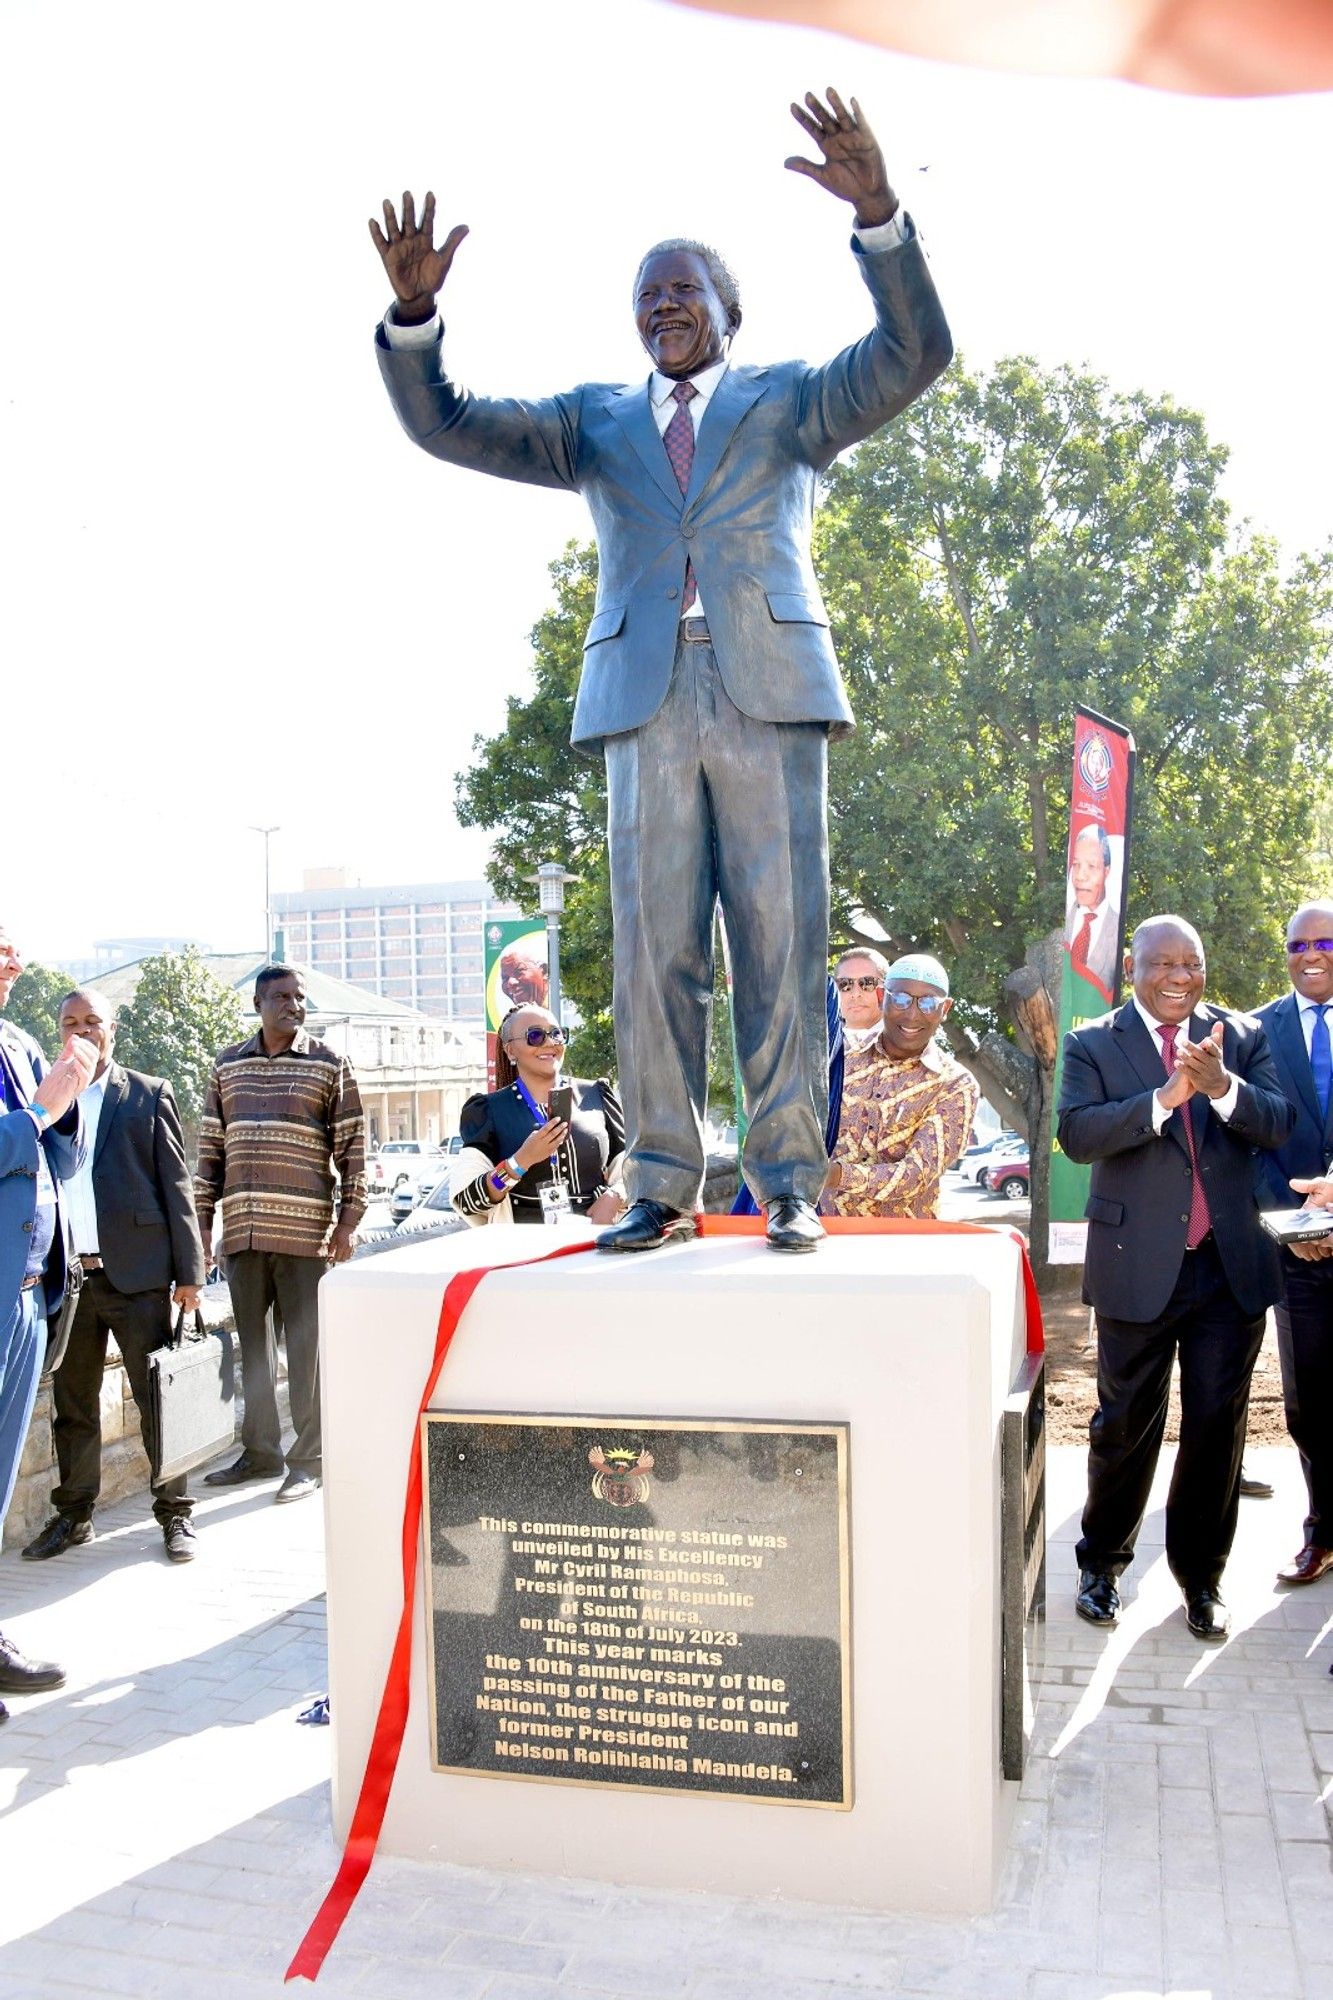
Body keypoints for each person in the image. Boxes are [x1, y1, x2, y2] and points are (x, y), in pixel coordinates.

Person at [370, 88, 951, 1256]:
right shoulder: (594, 421)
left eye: (684, 291)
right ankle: (665, 1182)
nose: (663, 308)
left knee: (780, 946)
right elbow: (447, 424)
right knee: (653, 955)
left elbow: (913, 352)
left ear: (729, 313)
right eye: (646, 296)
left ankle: (787, 1176)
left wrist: (880, 215)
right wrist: (416, 318)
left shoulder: (785, 400)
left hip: (765, 691)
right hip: (643, 701)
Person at [1057, 915, 1293, 1639]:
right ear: (1133, 969)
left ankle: (1202, 1580)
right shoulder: (1092, 1041)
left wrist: (1221, 1087)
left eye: (1189, 964)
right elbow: (1076, 1135)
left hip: (1227, 1271)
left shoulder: (1242, 1037)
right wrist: (1162, 1100)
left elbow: (1277, 1123)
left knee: (1216, 1430)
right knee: (1123, 1423)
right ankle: (1101, 1565)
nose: (1176, 978)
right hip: (1137, 1269)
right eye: (1161, 964)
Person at [21, 989, 207, 1566]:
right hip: (70, 1279)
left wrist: (190, 1272)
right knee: (73, 1405)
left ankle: (176, 1515)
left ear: (112, 1029)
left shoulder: (147, 1094)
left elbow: (176, 1186)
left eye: (92, 1021)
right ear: (60, 1032)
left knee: (157, 1401)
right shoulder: (46, 1097)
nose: (82, 1030)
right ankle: (74, 1515)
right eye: (70, 1022)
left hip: (140, 1277)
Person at [195, 965, 366, 1504]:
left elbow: (354, 1148)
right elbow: (209, 1153)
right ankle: (261, 1453)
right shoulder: (226, 1066)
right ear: (257, 1002)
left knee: (307, 1352)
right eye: (282, 997)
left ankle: (309, 1460)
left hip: (305, 1236)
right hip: (242, 1235)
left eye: (300, 997)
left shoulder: (329, 1064)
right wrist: (202, 1226)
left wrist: (348, 1222)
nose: (294, 1005)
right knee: (253, 1351)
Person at [0, 925, 94, 1723]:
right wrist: (39, 1111)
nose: (14, 964)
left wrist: (68, 1104)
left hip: (28, 1293)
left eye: (13, 952)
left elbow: (60, 1162)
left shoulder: (21, 1044)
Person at [1254, 902, 1333, 1583]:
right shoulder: (1256, 1030)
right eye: (1296, 944)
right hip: (1298, 1255)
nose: (1309, 954)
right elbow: (1246, 1140)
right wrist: (1294, 1224)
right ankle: (1322, 1529)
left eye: (1324, 942)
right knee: (1308, 1401)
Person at [824, 955, 978, 1218]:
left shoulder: (955, 1084)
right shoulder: (837, 1056)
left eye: (928, 1003)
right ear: (883, 996)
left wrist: (833, 1175)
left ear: (945, 1009)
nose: (912, 1014)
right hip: (821, 1236)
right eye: (901, 999)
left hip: (904, 1244)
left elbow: (916, 1174)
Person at [452, 1006, 626, 1226]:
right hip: (526, 1250)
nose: (550, 1042)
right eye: (535, 1036)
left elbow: (635, 1170)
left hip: (595, 1241)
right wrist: (519, 1162)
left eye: (556, 1033)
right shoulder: (487, 1110)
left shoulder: (596, 1095)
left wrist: (615, 1197)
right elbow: (467, 1201)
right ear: (510, 1051)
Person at [1065, 824, 1121, 1001]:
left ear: (1106, 871)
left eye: (1091, 866)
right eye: (1075, 864)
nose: (1081, 876)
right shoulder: (1063, 919)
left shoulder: (1117, 928)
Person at [833, 948, 890, 1054]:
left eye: (867, 983)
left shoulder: (908, 1043)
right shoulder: (820, 1048)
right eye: (844, 984)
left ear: (886, 989)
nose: (855, 994)